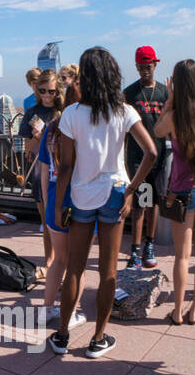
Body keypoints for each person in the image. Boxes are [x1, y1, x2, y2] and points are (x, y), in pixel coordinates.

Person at [50, 47, 158, 359]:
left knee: (75, 269)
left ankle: (62, 335)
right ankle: (98, 338)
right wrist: (131, 190)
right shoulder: (124, 111)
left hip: (82, 195)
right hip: (115, 192)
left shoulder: (71, 114)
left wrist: (58, 204)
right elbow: (151, 153)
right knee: (108, 272)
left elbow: (67, 166)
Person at [153, 60, 195, 326]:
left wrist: (169, 101)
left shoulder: (174, 116)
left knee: (183, 255)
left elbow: (158, 131)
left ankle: (178, 311)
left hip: (183, 188)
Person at [35, 79, 87, 327]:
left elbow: (44, 170)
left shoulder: (53, 127)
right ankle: (73, 311)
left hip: (55, 196)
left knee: (58, 260)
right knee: (79, 262)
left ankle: (46, 309)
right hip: (82, 198)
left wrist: (47, 201)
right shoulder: (85, 126)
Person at [124, 46, 169, 273]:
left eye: (148, 66)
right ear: (136, 67)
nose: (145, 71)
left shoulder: (164, 92)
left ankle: (149, 246)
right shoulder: (130, 94)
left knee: (154, 203)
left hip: (159, 158)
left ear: (155, 65)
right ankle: (134, 249)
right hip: (137, 159)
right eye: (141, 67)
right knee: (141, 203)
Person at [22, 69, 62, 278]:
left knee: (65, 220)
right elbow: (27, 147)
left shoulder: (64, 111)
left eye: (51, 91)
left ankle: (63, 263)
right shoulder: (32, 113)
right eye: (43, 90)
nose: (47, 95)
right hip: (41, 174)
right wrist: (38, 137)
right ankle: (49, 262)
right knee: (47, 221)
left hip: (64, 172)